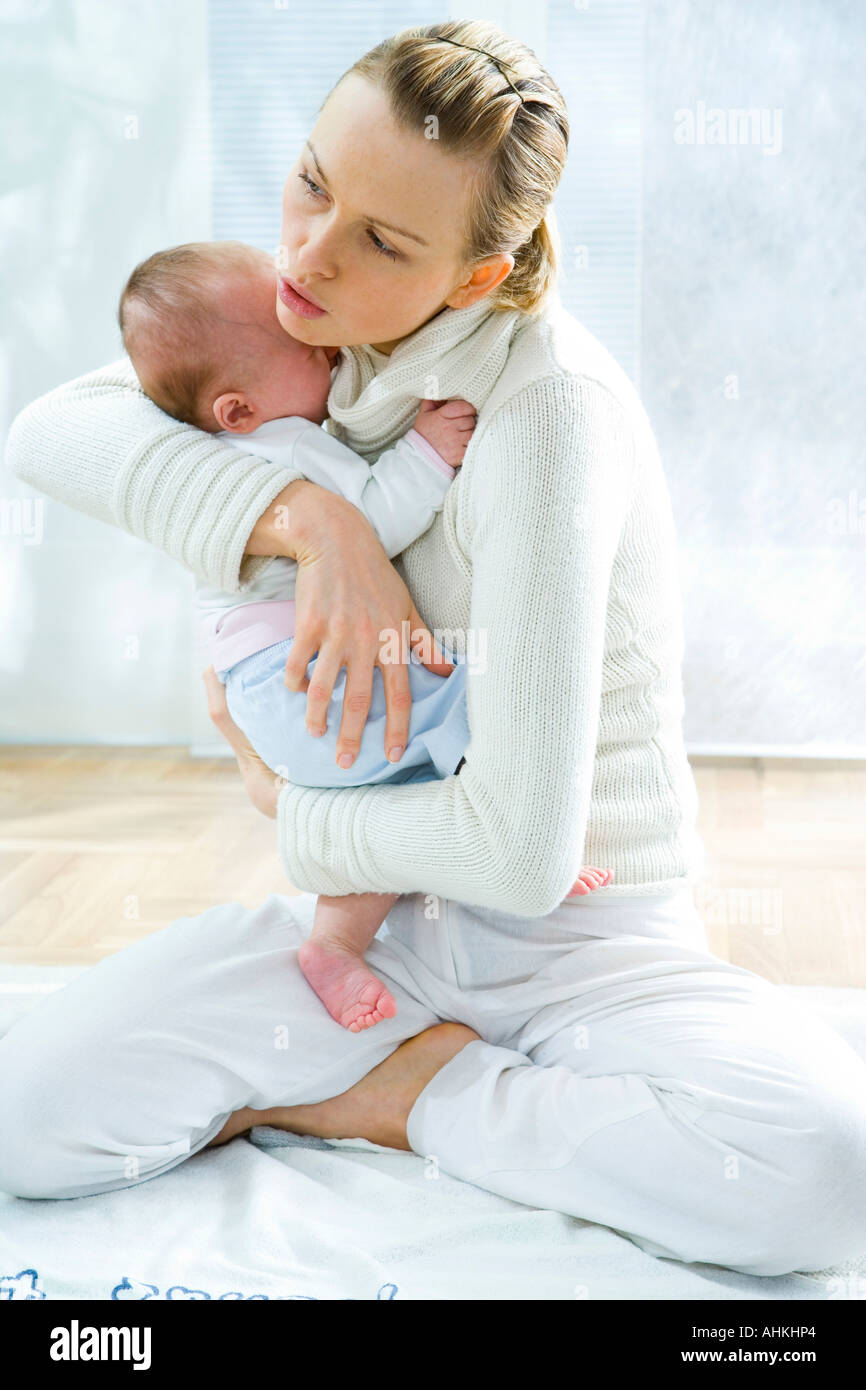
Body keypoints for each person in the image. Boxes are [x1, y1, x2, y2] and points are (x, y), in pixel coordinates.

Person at [3, 20, 866, 1277]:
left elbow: (522, 851)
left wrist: (283, 806)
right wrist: (311, 519)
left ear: (471, 277)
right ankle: (416, 1067)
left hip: (583, 935)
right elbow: (50, 428)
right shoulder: (313, 333)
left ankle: (403, 1096)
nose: (305, 253)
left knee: (819, 1173)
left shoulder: (542, 412)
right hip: (379, 930)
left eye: (380, 239)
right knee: (28, 1115)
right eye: (309, 182)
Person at [117, 238, 611, 1030]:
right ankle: (531, 836)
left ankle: (334, 944)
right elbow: (370, 522)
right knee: (467, 706)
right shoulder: (284, 447)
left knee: (394, 787)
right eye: (301, 347)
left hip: (267, 693)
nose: (328, 350)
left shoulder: (214, 447)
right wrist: (427, 449)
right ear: (238, 409)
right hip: (301, 668)